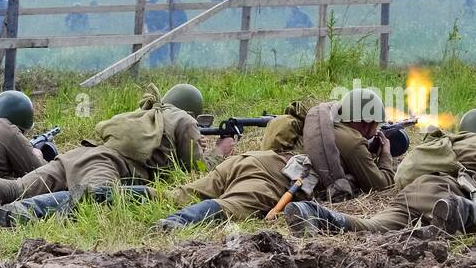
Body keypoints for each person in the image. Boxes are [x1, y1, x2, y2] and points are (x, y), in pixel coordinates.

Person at [0, 83, 230, 226]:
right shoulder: (184, 120)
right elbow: (195, 171)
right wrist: (220, 152)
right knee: (96, 197)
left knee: (17, 187)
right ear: (194, 109)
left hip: (81, 154)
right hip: (108, 165)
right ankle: (24, 213)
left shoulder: (146, 114)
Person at [154, 88, 396, 230]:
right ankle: (176, 222)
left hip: (251, 159)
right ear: (366, 121)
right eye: (375, 125)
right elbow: (380, 185)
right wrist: (385, 157)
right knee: (231, 207)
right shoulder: (353, 141)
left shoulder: (322, 123)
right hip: (274, 178)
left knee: (178, 194)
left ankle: (118, 194)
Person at [283, 106, 476, 235]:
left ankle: (320, 215)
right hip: (451, 192)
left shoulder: (447, 143)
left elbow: (401, 176)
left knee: (373, 226)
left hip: (415, 191)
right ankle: (459, 213)